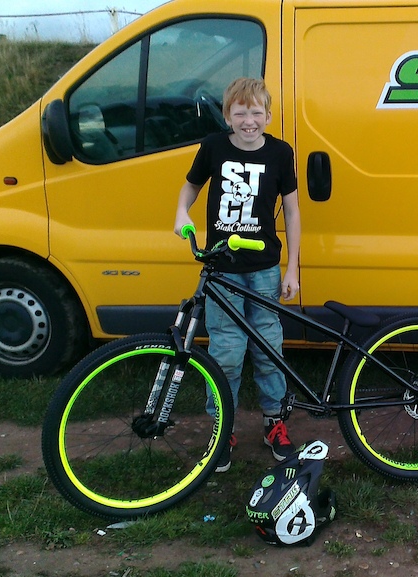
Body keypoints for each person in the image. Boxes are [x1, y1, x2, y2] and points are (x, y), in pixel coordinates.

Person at [173, 77, 301, 472]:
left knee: (268, 350)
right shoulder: (213, 146)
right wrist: (182, 213)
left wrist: (292, 267)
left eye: (256, 112)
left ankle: (274, 422)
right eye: (240, 112)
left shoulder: (281, 153)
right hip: (222, 269)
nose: (249, 121)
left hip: (264, 269)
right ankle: (222, 428)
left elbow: (293, 211)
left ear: (268, 115)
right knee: (226, 353)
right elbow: (190, 187)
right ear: (227, 115)